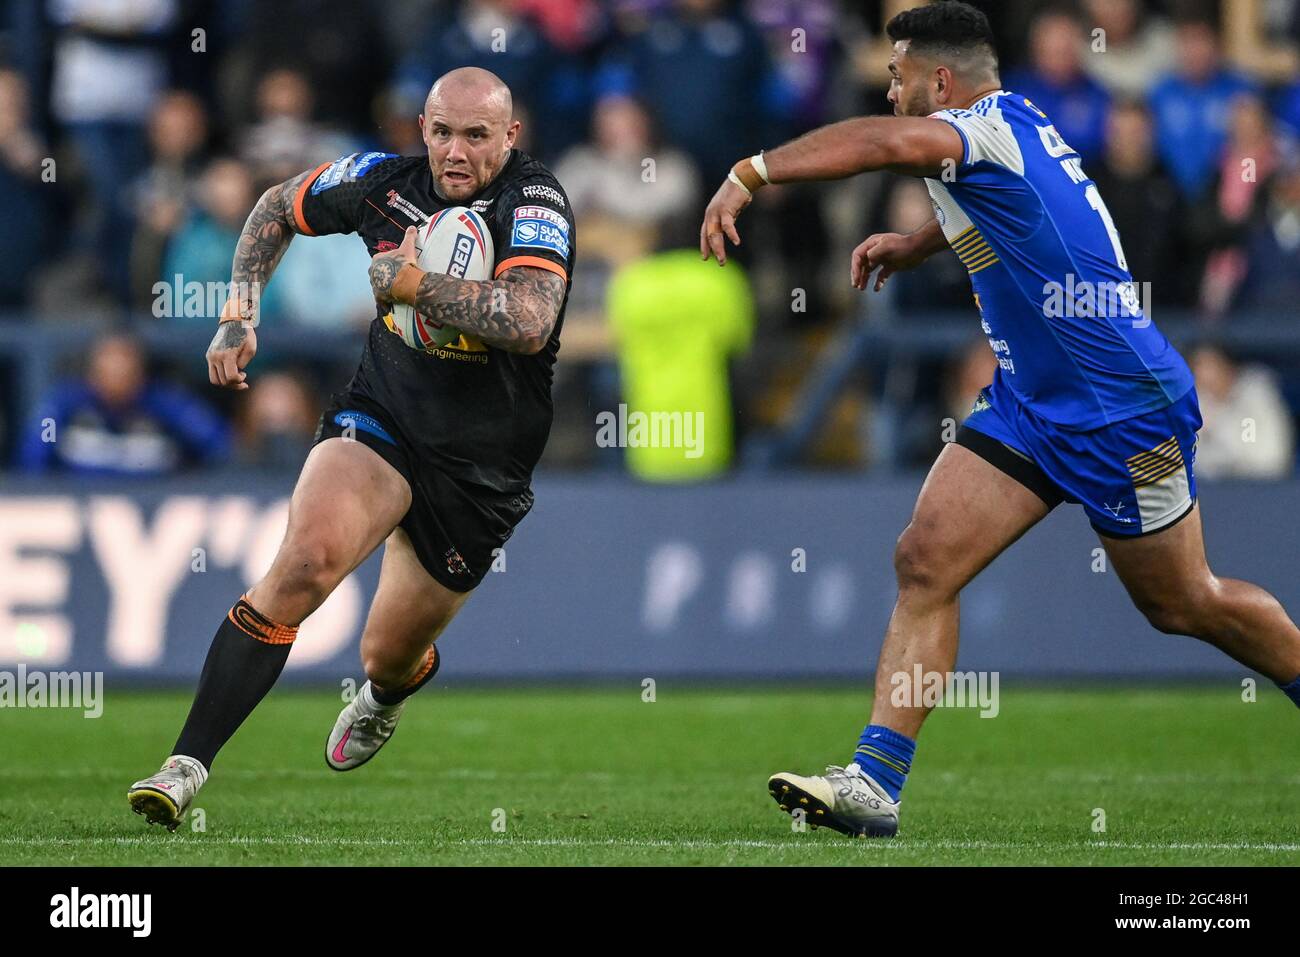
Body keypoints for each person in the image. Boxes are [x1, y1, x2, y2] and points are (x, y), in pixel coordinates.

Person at [701, 2, 1300, 839]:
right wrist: (918, 245)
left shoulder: (975, 129)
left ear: (939, 81)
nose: (890, 89)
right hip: (1032, 405)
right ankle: (874, 782)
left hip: (1124, 410)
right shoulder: (1019, 124)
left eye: (899, 75)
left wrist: (751, 170)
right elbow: (1027, 215)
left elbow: (883, 143)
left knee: (1185, 602)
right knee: (925, 560)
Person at [127, 67, 575, 830]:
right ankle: (184, 764)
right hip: (384, 416)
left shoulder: (536, 201)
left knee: (386, 653)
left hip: (482, 467)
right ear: (422, 128)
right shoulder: (380, 180)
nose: (455, 151)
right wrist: (240, 309)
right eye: (441, 132)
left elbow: (530, 318)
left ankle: (388, 694)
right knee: (304, 563)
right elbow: (276, 206)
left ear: (511, 135)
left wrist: (412, 286)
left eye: (476, 135)